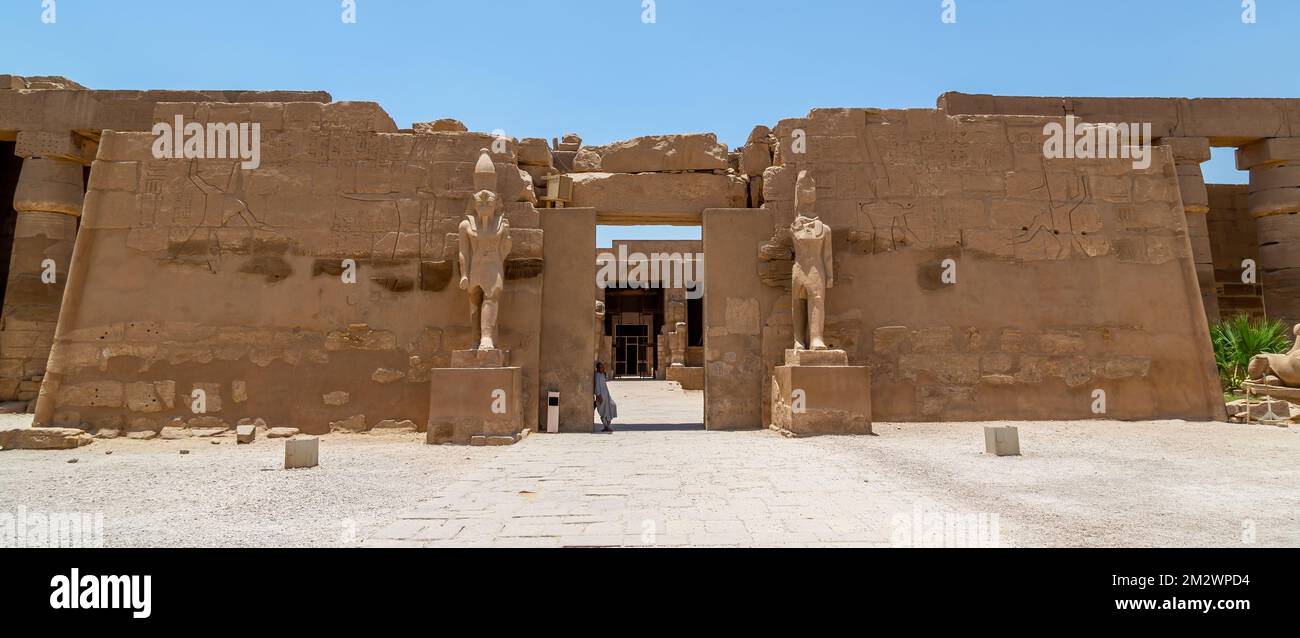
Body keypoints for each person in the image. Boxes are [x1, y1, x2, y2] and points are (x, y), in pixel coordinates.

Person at [594, 362, 618, 432]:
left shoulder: (602, 374)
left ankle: (607, 425)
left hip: (606, 395)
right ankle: (606, 426)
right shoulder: (597, 375)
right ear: (598, 368)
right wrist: (598, 395)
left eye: (603, 367)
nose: (602, 368)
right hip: (601, 396)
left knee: (612, 406)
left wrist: (604, 372)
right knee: (603, 411)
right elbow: (597, 385)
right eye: (600, 367)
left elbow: (606, 379)